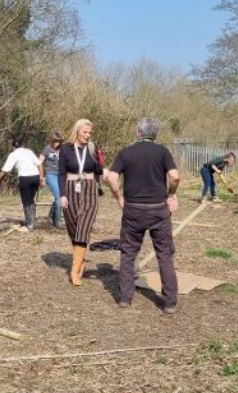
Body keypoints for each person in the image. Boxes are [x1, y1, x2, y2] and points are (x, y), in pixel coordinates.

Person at [106, 118, 181, 312]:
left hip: (133, 208)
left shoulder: (126, 152)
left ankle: (125, 297)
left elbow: (112, 178)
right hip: (158, 209)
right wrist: (171, 194)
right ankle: (169, 302)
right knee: (164, 254)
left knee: (128, 253)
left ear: (137, 133)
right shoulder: (162, 152)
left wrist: (119, 197)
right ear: (154, 134)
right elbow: (175, 176)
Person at [59, 118, 102, 286]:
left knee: (84, 227)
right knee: (74, 229)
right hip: (70, 189)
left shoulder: (92, 148)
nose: (88, 135)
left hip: (90, 190)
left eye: (90, 132)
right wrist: (62, 195)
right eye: (85, 132)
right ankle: (80, 261)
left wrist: (100, 161)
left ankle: (74, 271)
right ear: (77, 132)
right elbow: (61, 173)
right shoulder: (65, 149)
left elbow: (98, 170)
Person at [0, 138, 42, 232]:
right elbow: (39, 164)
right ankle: (32, 222)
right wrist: (41, 177)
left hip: (25, 178)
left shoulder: (13, 154)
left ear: (13, 147)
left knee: (26, 201)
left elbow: (5, 170)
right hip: (35, 177)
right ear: (22, 145)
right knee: (31, 200)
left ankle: (29, 225)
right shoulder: (29, 151)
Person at [38, 133, 64, 229]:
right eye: (56, 141)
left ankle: (50, 217)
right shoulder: (47, 149)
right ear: (52, 141)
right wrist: (41, 176)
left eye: (59, 141)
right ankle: (57, 221)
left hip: (61, 175)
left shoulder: (63, 149)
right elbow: (39, 162)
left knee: (60, 196)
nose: (57, 143)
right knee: (59, 196)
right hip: (50, 174)